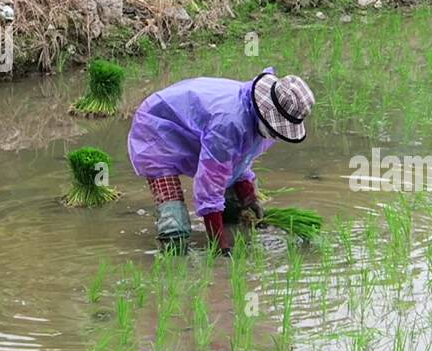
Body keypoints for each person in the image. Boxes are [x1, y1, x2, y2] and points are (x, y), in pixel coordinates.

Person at [127, 68, 315, 255]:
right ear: (266, 112)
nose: (275, 135)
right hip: (156, 130)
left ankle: (227, 224)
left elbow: (239, 161)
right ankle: (173, 264)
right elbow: (211, 182)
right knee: (175, 225)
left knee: (233, 209)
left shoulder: (253, 118)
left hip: (197, 128)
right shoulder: (229, 122)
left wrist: (249, 198)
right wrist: (219, 246)